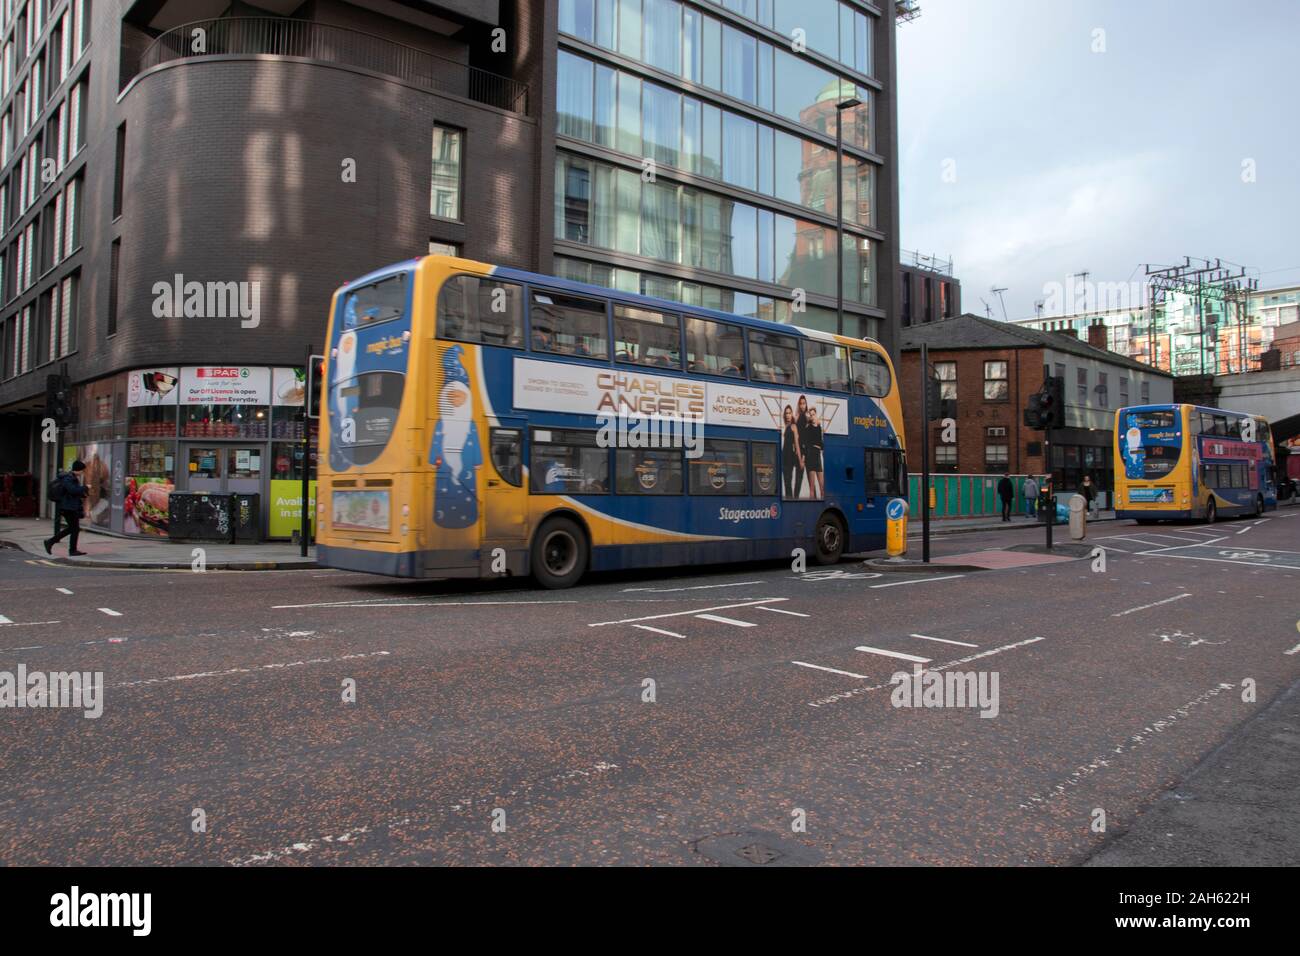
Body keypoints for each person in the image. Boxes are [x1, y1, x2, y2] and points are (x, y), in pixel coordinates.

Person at [45, 460, 89, 556]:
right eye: (82, 470)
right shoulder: (68, 478)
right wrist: (84, 488)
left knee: (73, 528)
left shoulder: (72, 478)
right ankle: (68, 549)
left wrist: (83, 493)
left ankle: (53, 543)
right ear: (78, 469)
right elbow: (72, 490)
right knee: (74, 528)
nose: (82, 472)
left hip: (70, 506)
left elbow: (72, 492)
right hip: (68, 507)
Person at [804, 407, 825, 499]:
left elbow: (820, 441)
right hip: (811, 454)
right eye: (811, 415)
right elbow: (807, 442)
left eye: (813, 414)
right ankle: (811, 503)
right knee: (812, 487)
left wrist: (822, 449)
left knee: (822, 487)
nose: (812, 416)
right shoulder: (808, 428)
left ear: (816, 415)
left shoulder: (819, 427)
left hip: (817, 454)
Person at [782, 405, 802, 498]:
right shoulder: (785, 426)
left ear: (792, 414)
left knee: (788, 480)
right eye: (786, 413)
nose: (788, 415)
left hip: (790, 455)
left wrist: (800, 460)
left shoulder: (794, 426)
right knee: (786, 482)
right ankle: (788, 498)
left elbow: (797, 444)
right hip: (783, 455)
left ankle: (790, 500)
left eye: (789, 413)